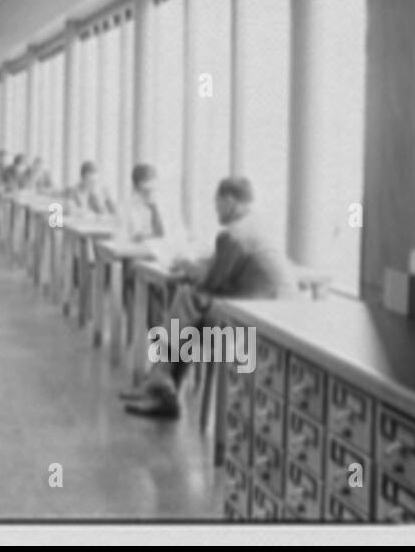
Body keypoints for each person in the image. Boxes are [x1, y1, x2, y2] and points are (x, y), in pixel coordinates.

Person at [124, 176, 293, 419]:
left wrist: (188, 268)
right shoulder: (256, 225)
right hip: (275, 311)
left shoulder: (234, 234)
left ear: (229, 201)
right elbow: (222, 269)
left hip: (256, 319)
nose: (215, 211)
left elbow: (212, 282)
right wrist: (196, 268)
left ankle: (160, 385)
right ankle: (161, 387)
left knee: (187, 304)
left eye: (217, 204)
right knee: (189, 312)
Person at [123, 163, 167, 242]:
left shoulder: (165, 204)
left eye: (153, 189)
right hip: (138, 252)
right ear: (135, 188)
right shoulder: (126, 208)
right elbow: (125, 239)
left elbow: (177, 233)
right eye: (145, 191)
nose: (150, 194)